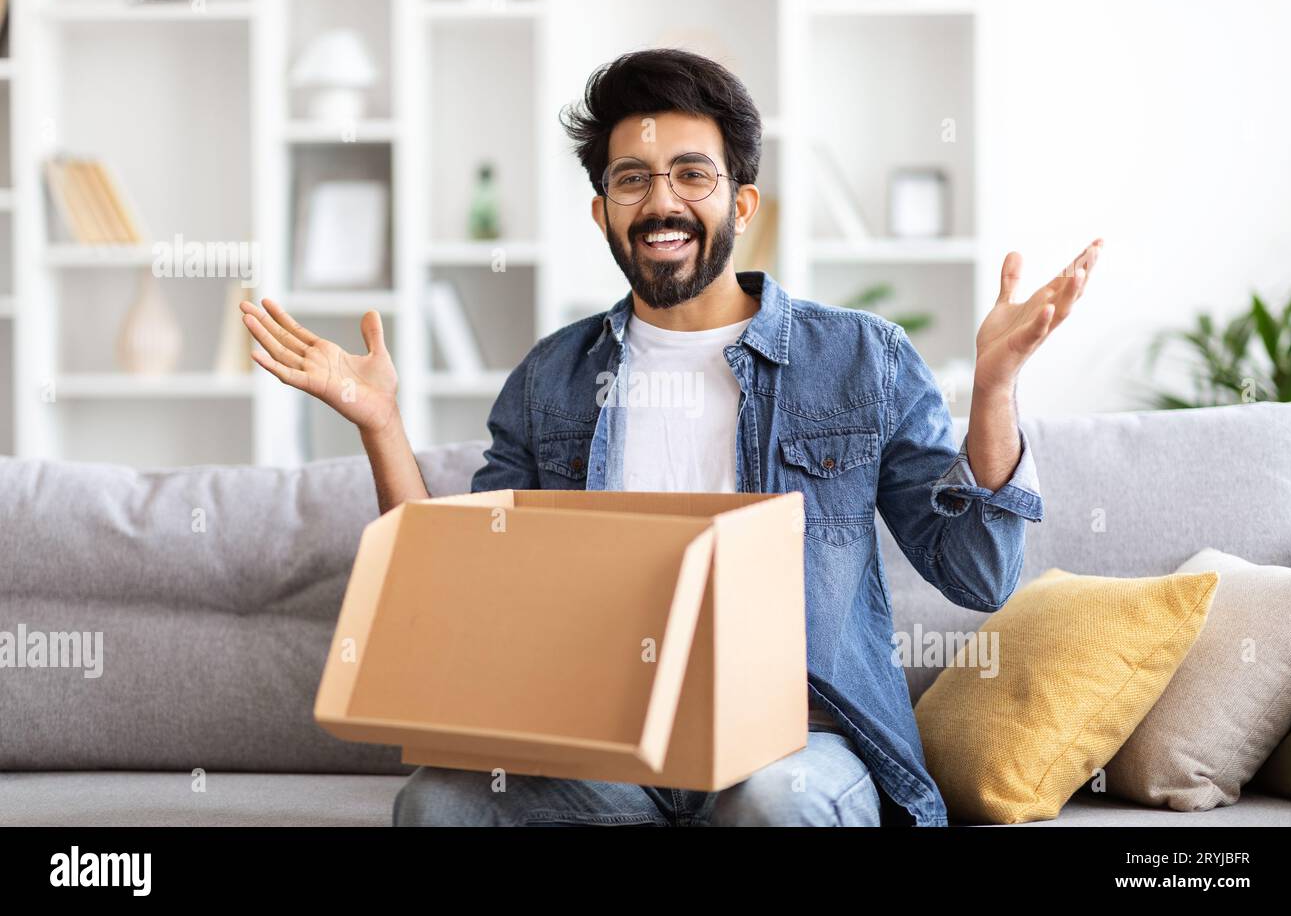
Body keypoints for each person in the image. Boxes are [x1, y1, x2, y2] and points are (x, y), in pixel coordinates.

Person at [240, 48, 1102, 827]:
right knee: (440, 805)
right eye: (632, 178)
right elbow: (455, 593)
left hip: (797, 745)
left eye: (693, 174)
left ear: (742, 200)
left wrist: (993, 392)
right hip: (609, 754)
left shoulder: (858, 358)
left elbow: (982, 574)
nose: (662, 202)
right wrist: (382, 424)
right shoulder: (553, 378)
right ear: (602, 211)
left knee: (775, 804)